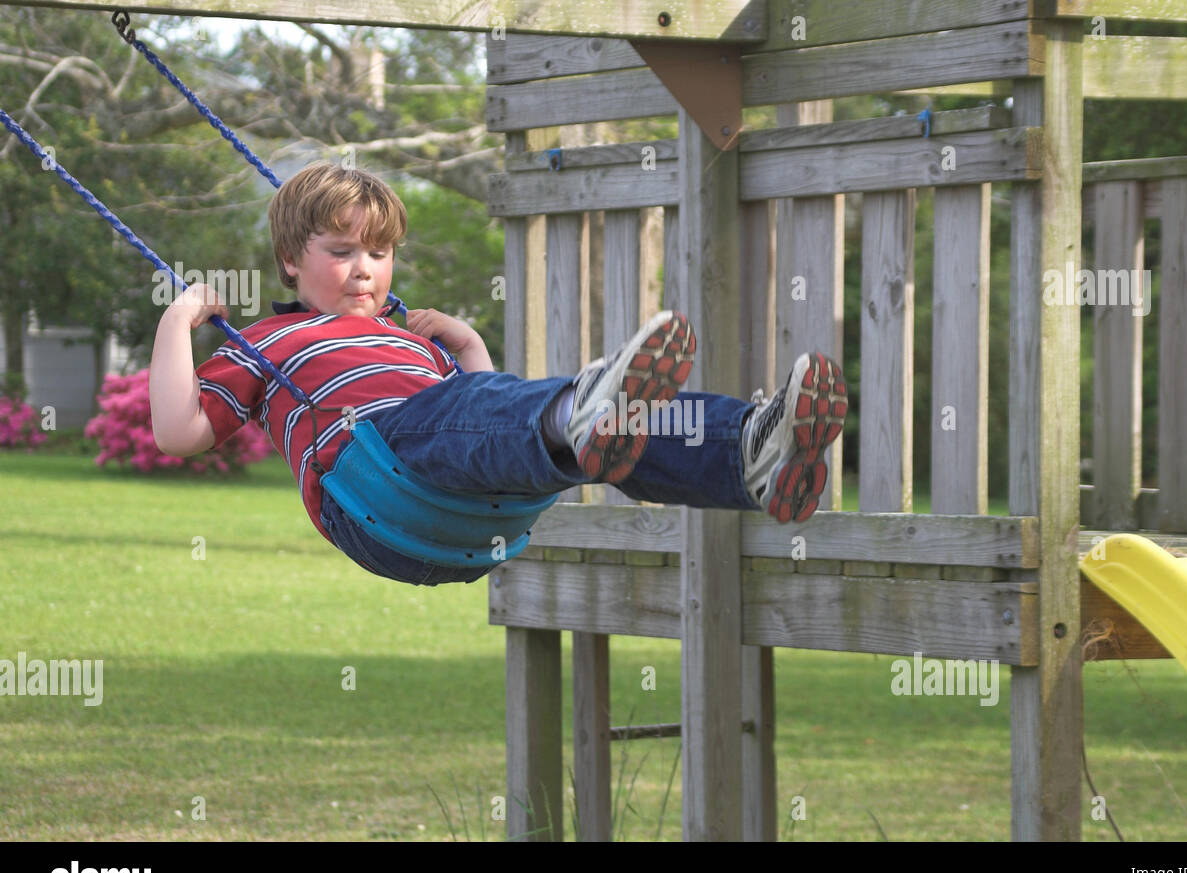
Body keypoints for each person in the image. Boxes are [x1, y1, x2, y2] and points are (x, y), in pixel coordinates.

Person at [149, 162, 848, 587]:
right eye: (341, 251)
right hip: (373, 489)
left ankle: (748, 454)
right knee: (519, 412)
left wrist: (470, 343)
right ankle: (584, 411)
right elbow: (181, 432)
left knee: (602, 441)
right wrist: (176, 322)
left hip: (473, 507)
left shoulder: (411, 339)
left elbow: (482, 423)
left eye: (380, 252)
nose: (365, 268)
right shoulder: (268, 339)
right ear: (289, 261)